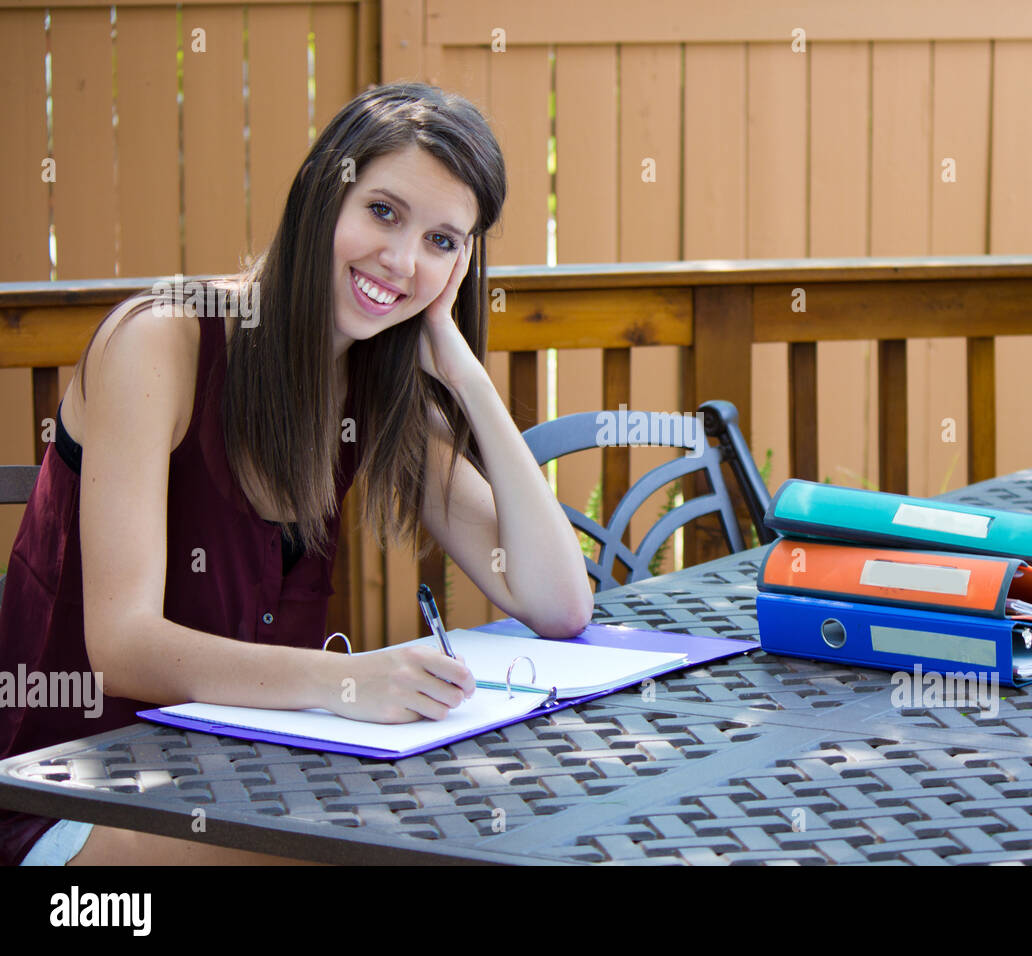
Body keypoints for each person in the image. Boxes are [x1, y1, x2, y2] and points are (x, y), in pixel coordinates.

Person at [0, 83, 593, 866]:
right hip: (69, 800)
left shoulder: (384, 391)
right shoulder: (163, 344)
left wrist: (462, 370)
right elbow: (122, 645)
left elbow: (558, 602)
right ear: (322, 193)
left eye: (443, 241)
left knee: (489, 813)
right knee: (398, 847)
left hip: (253, 786)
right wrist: (346, 681)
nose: (402, 260)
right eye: (383, 212)